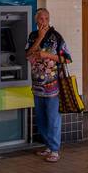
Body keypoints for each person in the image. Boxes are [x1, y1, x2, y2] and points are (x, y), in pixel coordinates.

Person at [26, 8, 72, 163]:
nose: (43, 21)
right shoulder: (33, 36)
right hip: (37, 85)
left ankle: (54, 149)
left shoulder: (56, 37)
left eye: (46, 18)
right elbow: (27, 54)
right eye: (40, 19)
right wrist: (39, 38)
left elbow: (67, 59)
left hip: (53, 86)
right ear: (36, 21)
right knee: (41, 118)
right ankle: (47, 145)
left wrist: (47, 55)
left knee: (53, 118)